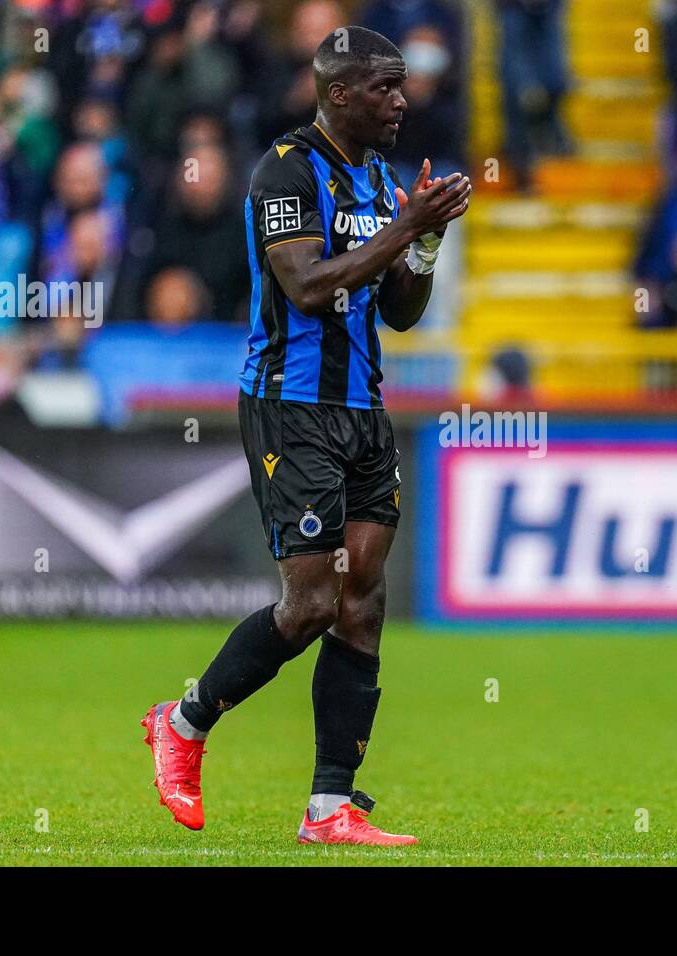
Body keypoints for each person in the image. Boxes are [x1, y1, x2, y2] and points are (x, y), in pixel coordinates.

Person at [141, 25, 471, 846]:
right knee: (314, 600)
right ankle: (183, 724)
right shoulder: (283, 171)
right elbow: (308, 284)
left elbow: (399, 308)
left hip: (363, 408)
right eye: (386, 88)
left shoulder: (376, 177)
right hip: (290, 407)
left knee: (363, 601)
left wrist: (424, 240)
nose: (402, 101)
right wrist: (405, 228)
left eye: (402, 87)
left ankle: (329, 807)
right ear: (338, 95)